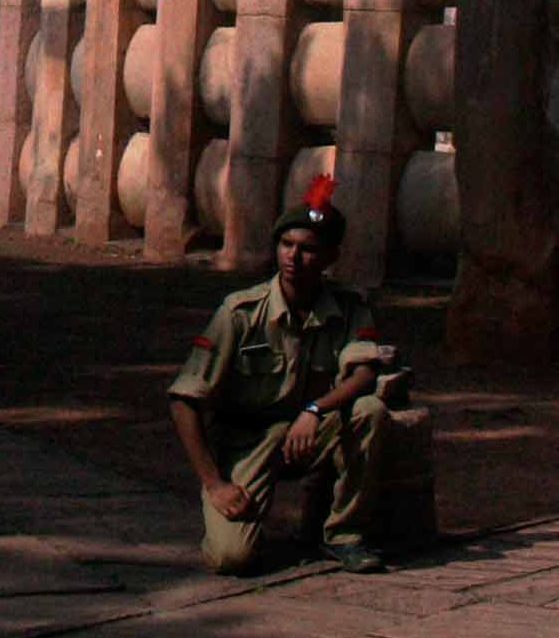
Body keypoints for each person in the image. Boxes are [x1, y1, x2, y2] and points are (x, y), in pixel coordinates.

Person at [167, 199, 426, 575]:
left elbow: (363, 374)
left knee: (369, 411)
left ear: (329, 256)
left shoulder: (349, 307)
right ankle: (236, 511)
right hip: (248, 442)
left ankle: (342, 535)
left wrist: (314, 410)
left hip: (309, 432)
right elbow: (183, 400)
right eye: (286, 244)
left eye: (307, 249)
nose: (293, 256)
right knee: (232, 558)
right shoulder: (240, 313)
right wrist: (214, 483)